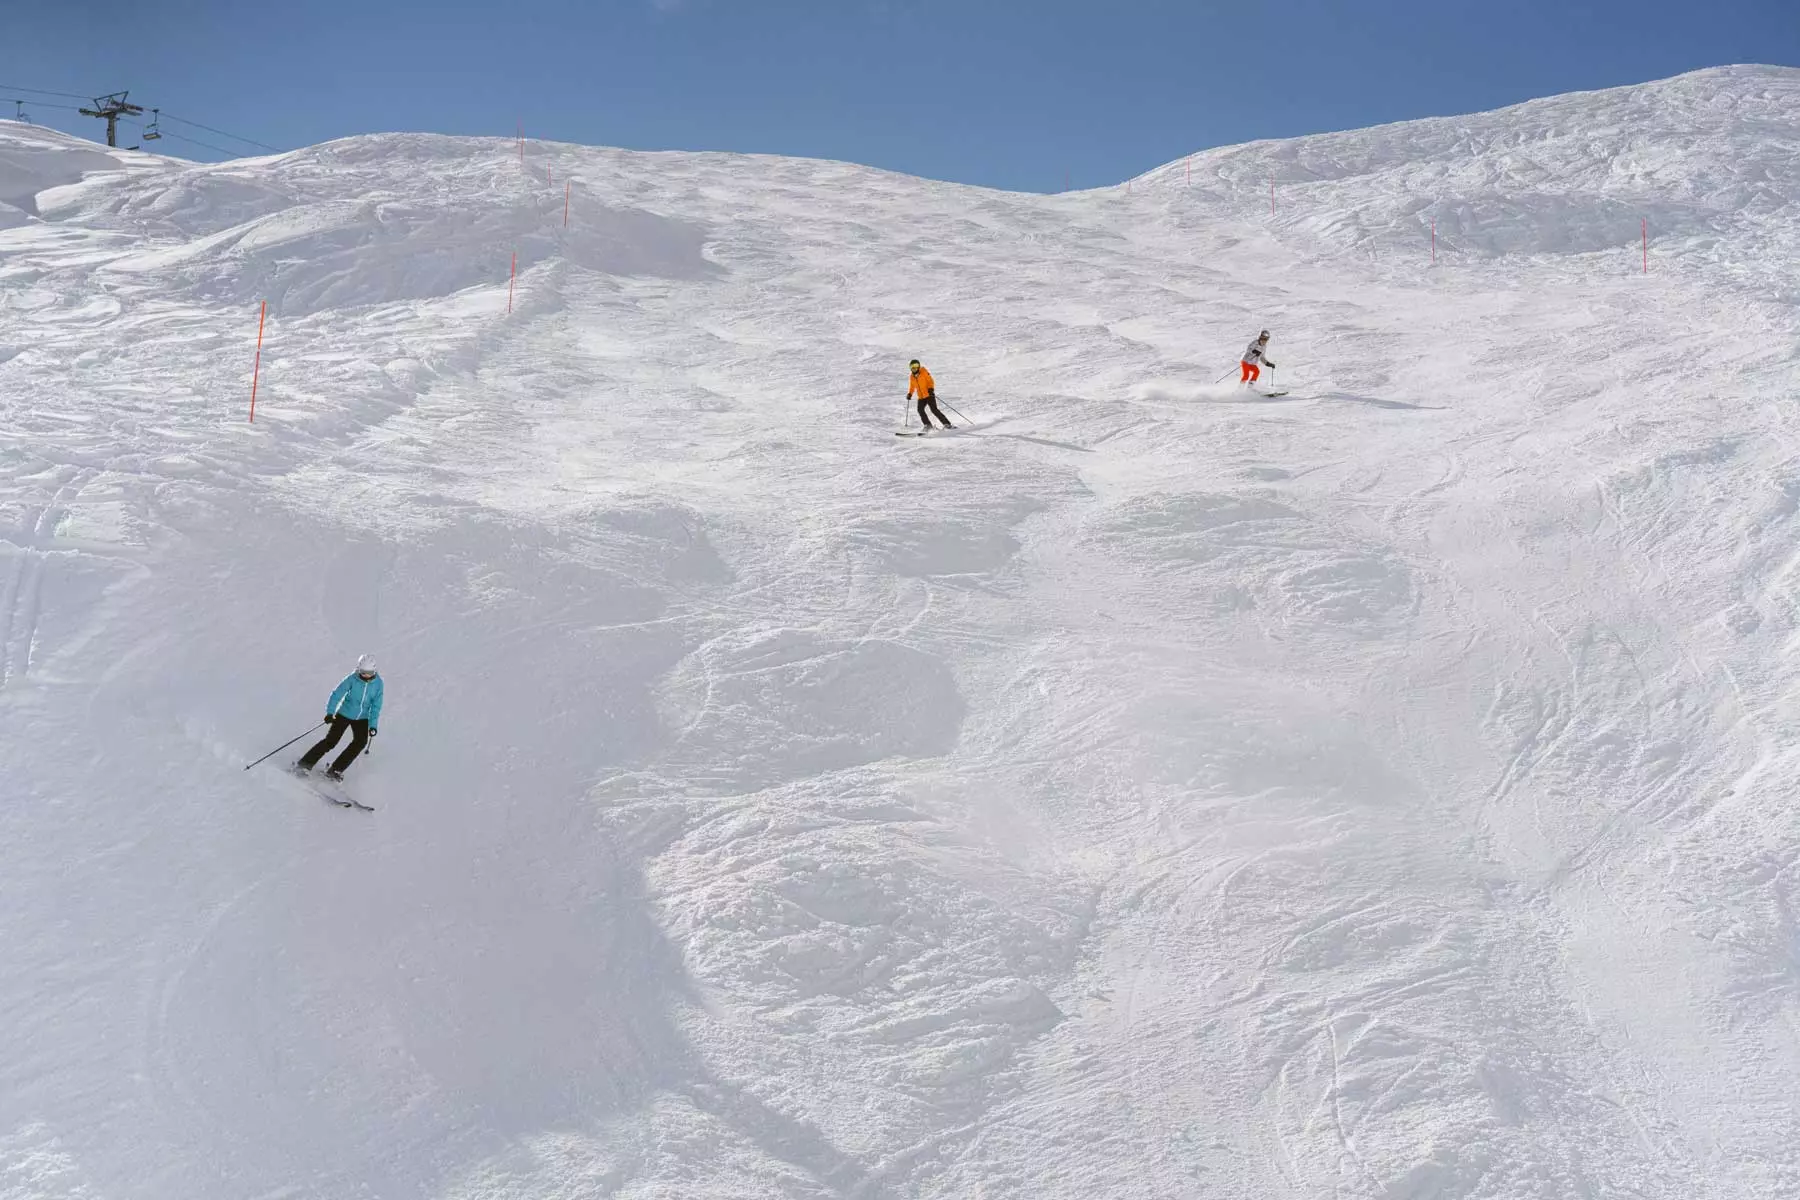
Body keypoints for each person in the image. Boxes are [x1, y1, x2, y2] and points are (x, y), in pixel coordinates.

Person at [294, 654, 384, 781]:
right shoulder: (352, 679)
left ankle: (335, 770)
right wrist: (330, 713)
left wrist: (373, 725)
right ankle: (304, 764)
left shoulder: (378, 684)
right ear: (359, 669)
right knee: (331, 741)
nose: (366, 675)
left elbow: (376, 706)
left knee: (360, 743)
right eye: (363, 672)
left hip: (362, 718)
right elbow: (337, 694)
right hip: (345, 713)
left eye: (369, 672)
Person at [908, 359, 953, 429]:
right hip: (921, 397)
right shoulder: (912, 377)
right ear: (910, 368)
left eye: (916, 366)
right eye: (912, 366)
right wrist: (910, 394)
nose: (914, 368)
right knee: (920, 410)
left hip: (929, 394)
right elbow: (912, 386)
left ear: (919, 366)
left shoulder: (923, 372)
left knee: (934, 410)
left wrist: (931, 389)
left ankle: (947, 424)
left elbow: (930, 381)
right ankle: (928, 425)